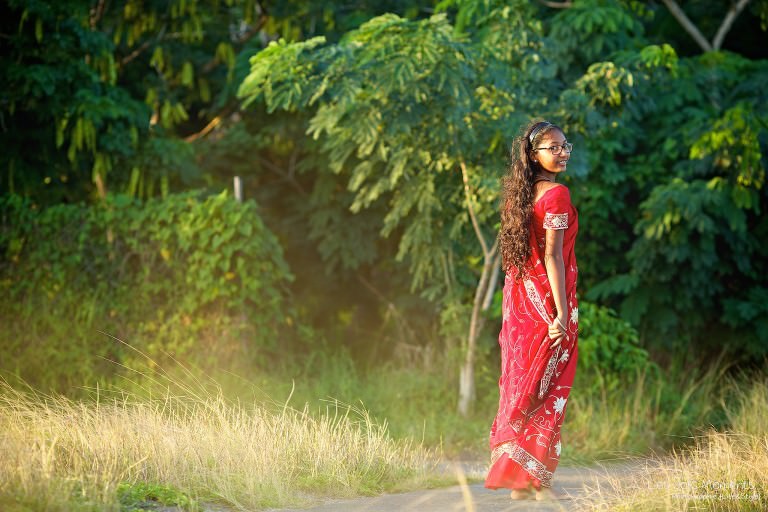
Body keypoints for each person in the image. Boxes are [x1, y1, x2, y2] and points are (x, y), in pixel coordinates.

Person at [485, 120, 579, 501]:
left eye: (564, 145)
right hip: (549, 305)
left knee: (525, 384)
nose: (562, 153)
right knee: (551, 386)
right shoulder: (556, 195)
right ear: (533, 154)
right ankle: (533, 479)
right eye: (552, 147)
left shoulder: (519, 196)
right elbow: (553, 256)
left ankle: (520, 479)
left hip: (520, 307)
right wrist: (559, 312)